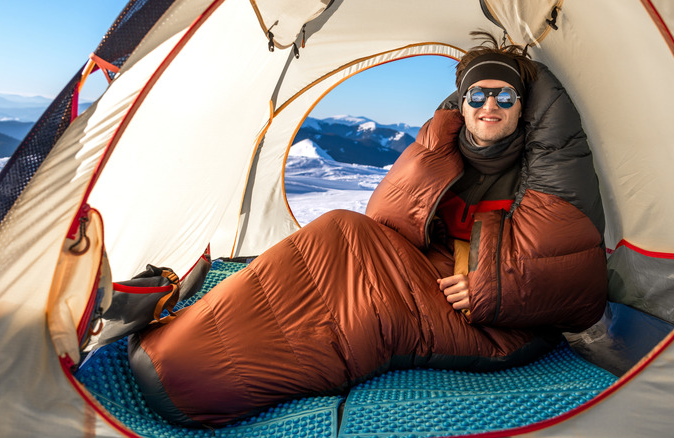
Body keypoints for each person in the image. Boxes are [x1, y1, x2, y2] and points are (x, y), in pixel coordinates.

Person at [127, 32, 607, 427]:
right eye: (476, 95)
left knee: (362, 308)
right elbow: (385, 216)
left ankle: (190, 380)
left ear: (523, 107)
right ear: (462, 104)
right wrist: (433, 153)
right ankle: (184, 336)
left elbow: (574, 280)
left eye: (504, 96)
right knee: (339, 231)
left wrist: (488, 284)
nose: (489, 106)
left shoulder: (543, 169)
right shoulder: (446, 144)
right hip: (431, 268)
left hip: (499, 312)